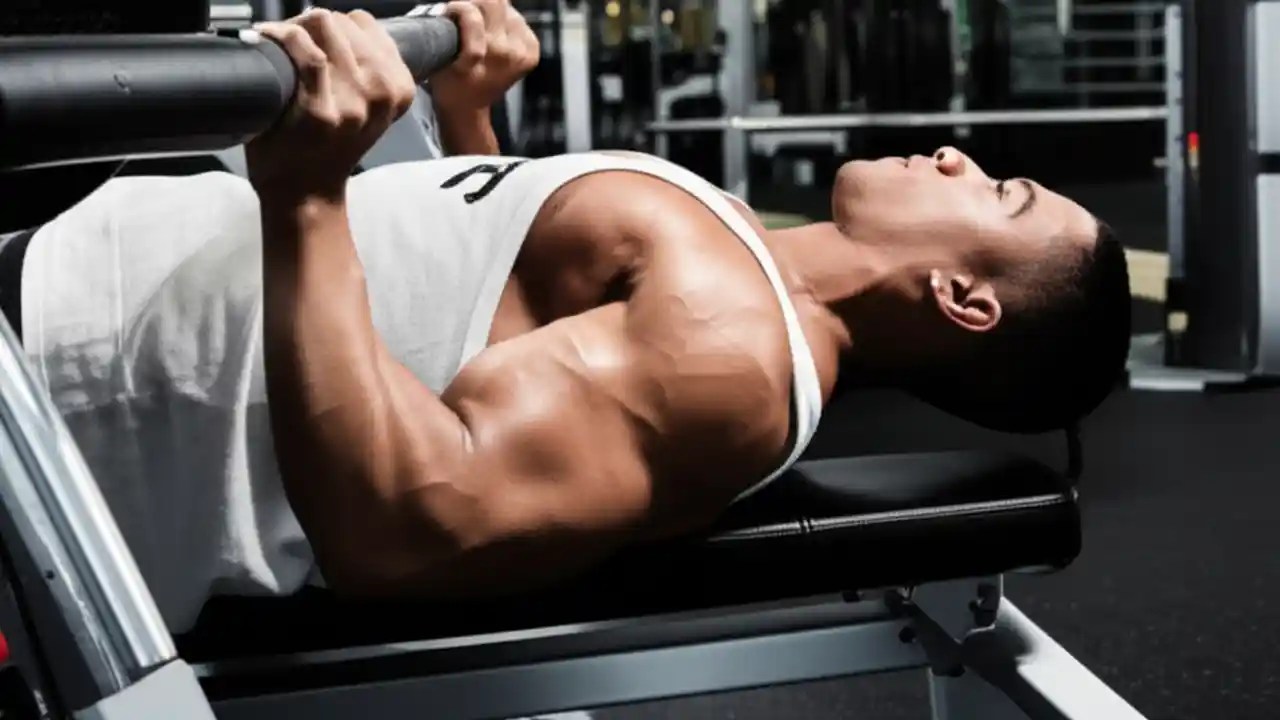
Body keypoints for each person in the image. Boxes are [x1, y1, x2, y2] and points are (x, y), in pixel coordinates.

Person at [0, 1, 1131, 633]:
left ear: (963, 300)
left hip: (64, 400)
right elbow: (490, 313)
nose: (956, 156)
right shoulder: (735, 275)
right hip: (73, 290)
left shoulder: (729, 357)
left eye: (997, 194)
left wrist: (306, 190)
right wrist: (465, 113)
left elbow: (407, 523)